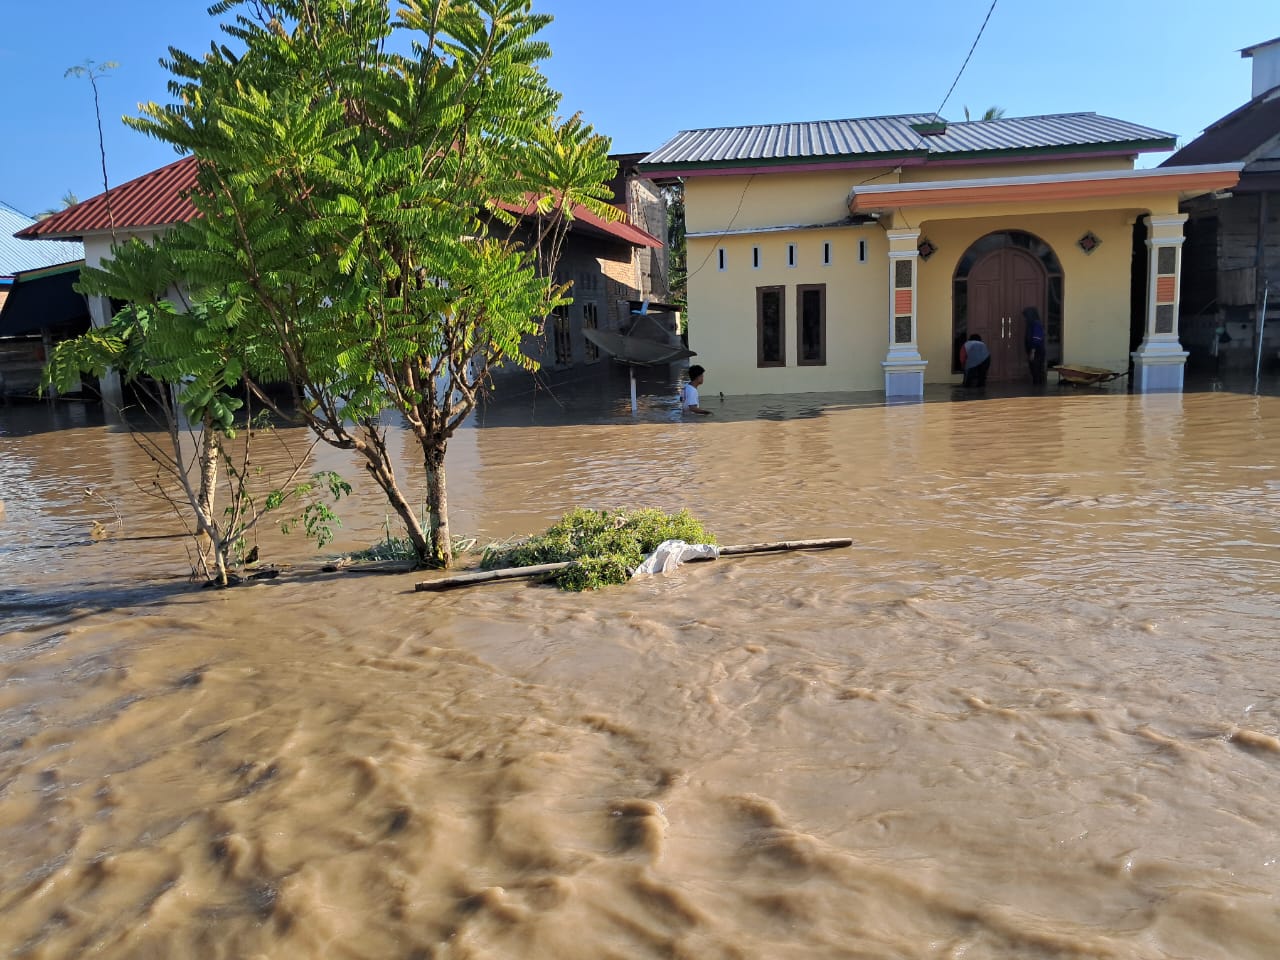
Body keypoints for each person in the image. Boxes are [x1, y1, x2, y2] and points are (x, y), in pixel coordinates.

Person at [1023, 306, 1046, 385]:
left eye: (1026, 316)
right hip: (1034, 351)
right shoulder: (1031, 324)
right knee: (1034, 370)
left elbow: (1036, 339)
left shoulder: (1036, 324)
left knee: (1036, 370)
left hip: (1037, 351)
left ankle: (1038, 390)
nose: (1025, 319)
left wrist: (1032, 352)